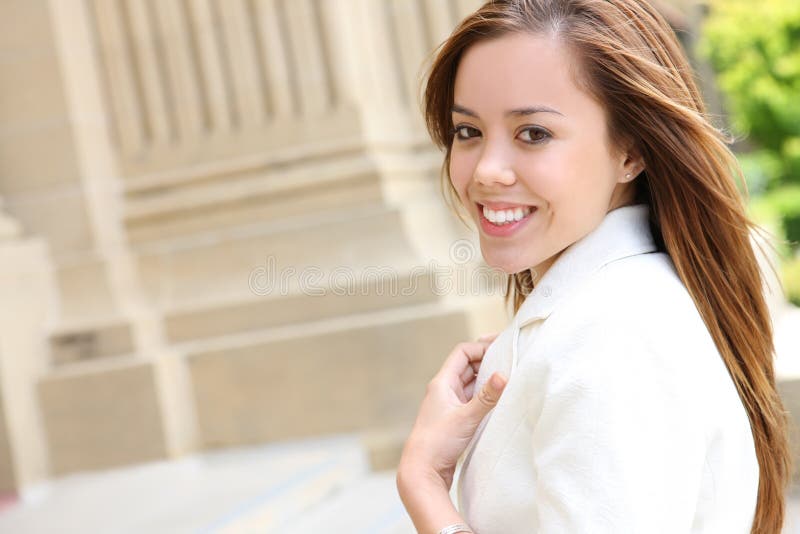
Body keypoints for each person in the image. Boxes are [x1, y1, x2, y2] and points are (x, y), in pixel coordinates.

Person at [395, 1, 793, 533]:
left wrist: (425, 485)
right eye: (468, 131)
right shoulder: (603, 310)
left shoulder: (611, 335)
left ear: (629, 151)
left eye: (533, 133)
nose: (486, 171)